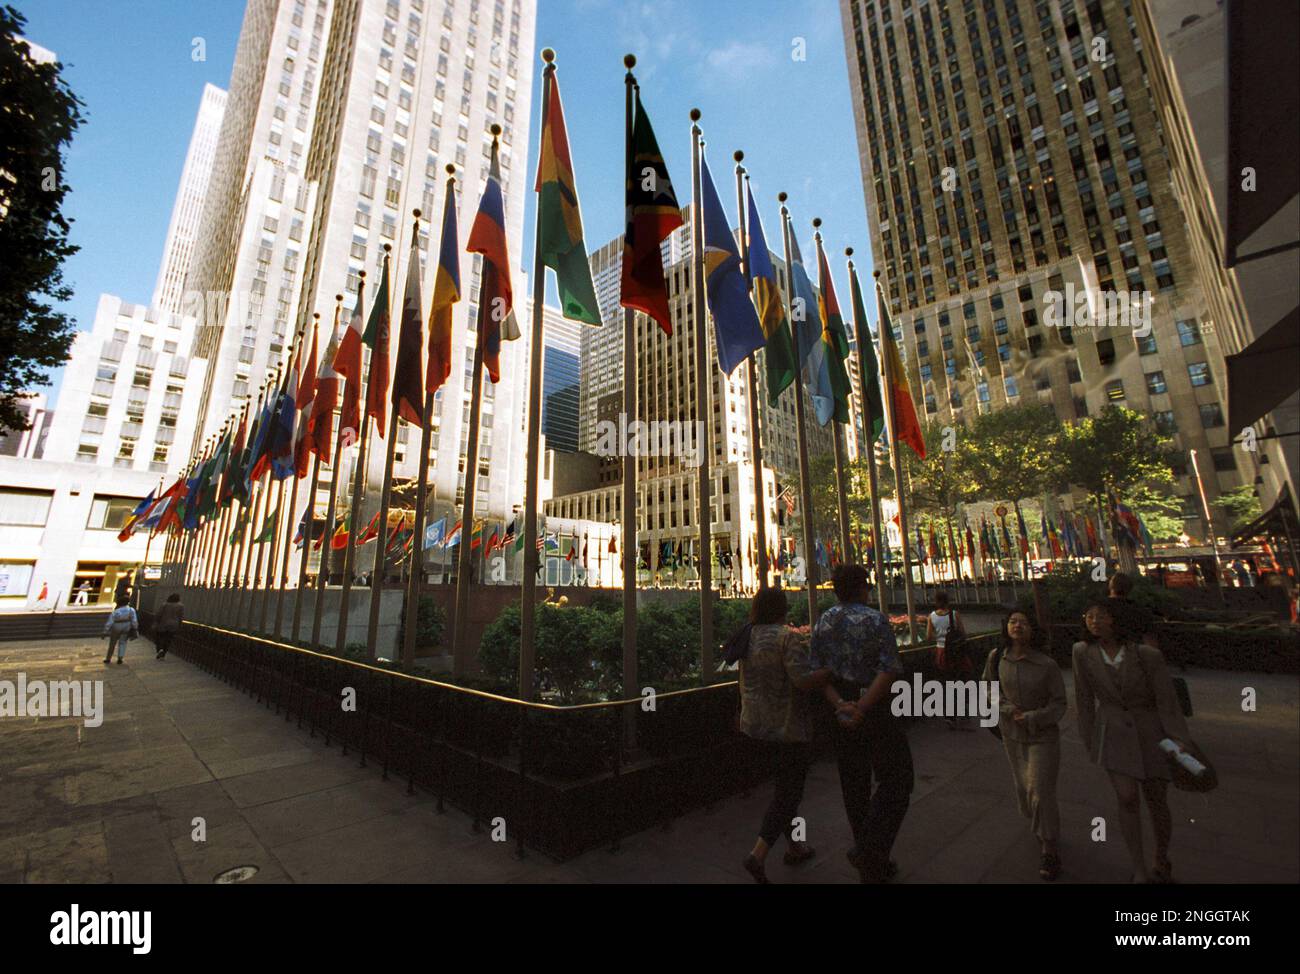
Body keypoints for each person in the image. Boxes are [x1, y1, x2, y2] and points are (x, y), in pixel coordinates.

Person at [1072, 598, 1188, 883]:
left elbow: (1166, 700)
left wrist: (1179, 739)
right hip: (1112, 731)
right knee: (1126, 798)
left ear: (1116, 620)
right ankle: (1138, 867)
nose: (1094, 621)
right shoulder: (1082, 652)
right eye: (1090, 616)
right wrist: (1089, 738)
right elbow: (1083, 698)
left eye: (1101, 616)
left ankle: (1161, 857)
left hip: (1151, 732)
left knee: (1156, 799)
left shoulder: (1146, 655)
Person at [810, 564, 913, 884]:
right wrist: (863, 706)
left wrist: (841, 704)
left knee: (853, 784)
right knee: (899, 778)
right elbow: (889, 669)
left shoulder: (824, 621)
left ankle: (869, 856)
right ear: (863, 588)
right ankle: (870, 849)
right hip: (875, 708)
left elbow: (818, 671)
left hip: (839, 709)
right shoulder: (874, 619)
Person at [738, 587, 831, 884]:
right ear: (781, 608)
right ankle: (758, 854)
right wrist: (830, 672)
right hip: (787, 728)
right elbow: (802, 681)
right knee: (789, 793)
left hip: (754, 726)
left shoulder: (747, 636)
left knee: (784, 789)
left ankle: (795, 846)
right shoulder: (787, 637)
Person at [983, 610, 1067, 880]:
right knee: (1024, 788)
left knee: (1040, 789)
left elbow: (1059, 703)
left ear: (1033, 629)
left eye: (1023, 622)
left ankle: (1049, 848)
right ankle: (1042, 827)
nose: (1017, 626)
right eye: (1012, 621)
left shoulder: (1047, 664)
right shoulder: (997, 658)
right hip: (1011, 733)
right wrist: (1007, 709)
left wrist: (1032, 716)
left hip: (1042, 734)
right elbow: (988, 688)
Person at [926, 591, 972, 730]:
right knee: (959, 680)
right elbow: (963, 633)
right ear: (948, 601)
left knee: (946, 683)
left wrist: (941, 637)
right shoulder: (954, 614)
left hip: (941, 652)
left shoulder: (931, 616)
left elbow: (928, 637)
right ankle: (963, 711)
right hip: (956, 652)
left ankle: (949, 715)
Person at [102, 596, 139, 666]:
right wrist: (135, 628)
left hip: (116, 626)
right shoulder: (131, 610)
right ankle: (120, 658)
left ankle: (108, 658)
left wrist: (105, 631)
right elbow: (134, 620)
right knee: (123, 642)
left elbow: (110, 622)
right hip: (127, 626)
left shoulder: (116, 611)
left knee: (112, 643)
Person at [153, 593, 184, 659]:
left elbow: (159, 614)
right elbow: (180, 616)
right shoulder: (181, 606)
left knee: (160, 637)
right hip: (174, 625)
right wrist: (179, 625)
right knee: (168, 639)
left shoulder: (164, 605)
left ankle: (160, 649)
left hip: (163, 624)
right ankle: (163, 653)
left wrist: (156, 622)